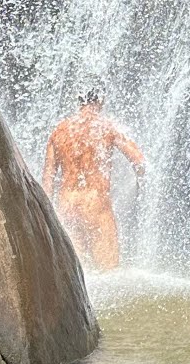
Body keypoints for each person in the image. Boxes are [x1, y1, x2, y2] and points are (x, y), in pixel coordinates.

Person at [42, 89, 146, 270]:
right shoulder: (107, 127)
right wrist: (139, 188)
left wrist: (46, 213)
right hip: (96, 206)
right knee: (109, 272)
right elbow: (139, 161)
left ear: (79, 100)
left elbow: (48, 178)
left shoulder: (59, 131)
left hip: (66, 206)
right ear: (101, 99)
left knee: (75, 272)